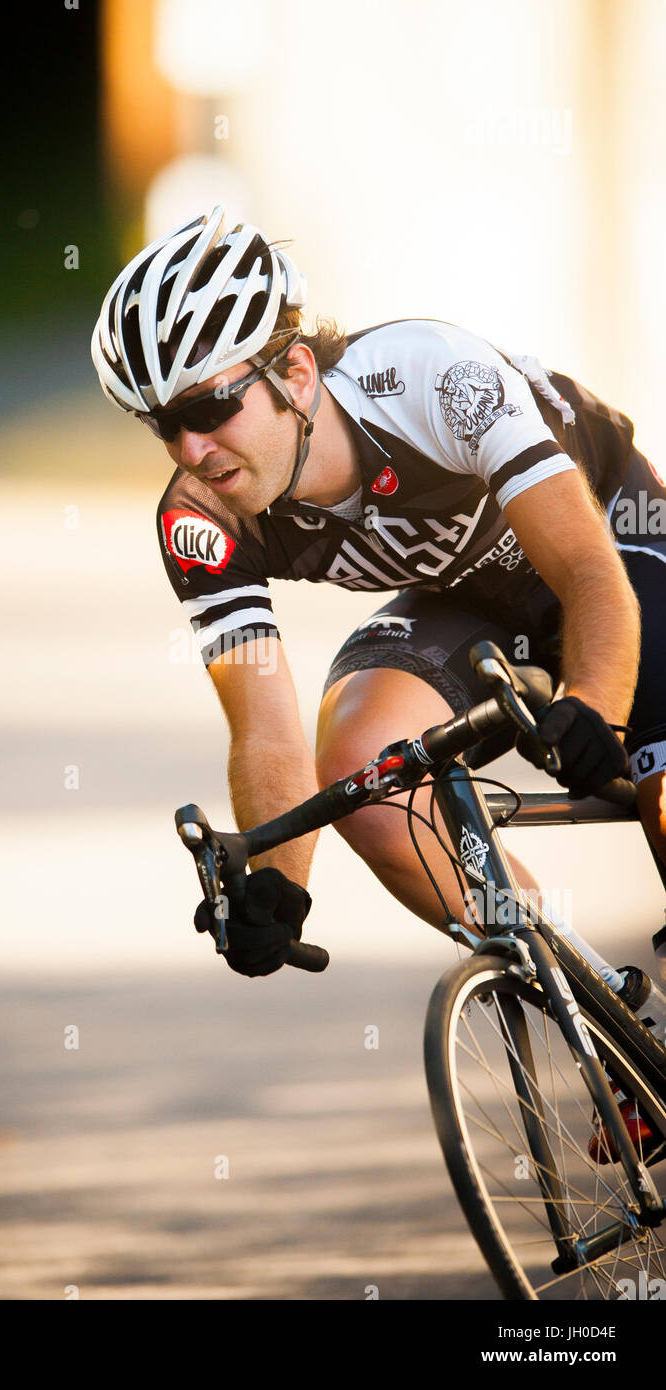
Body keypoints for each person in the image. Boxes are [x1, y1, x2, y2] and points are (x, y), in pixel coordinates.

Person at [91, 206, 666, 1008]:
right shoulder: (202, 518)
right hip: (466, 595)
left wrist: (597, 707)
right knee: (364, 767)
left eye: (209, 410)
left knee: (660, 770)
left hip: (610, 541)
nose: (191, 450)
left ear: (294, 375)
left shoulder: (433, 379)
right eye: (164, 426)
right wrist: (278, 884)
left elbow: (584, 570)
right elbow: (265, 727)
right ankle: (599, 1011)